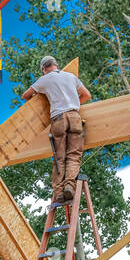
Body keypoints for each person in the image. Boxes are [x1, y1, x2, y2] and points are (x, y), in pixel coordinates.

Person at [23, 56, 91, 203]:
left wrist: (41, 101)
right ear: (56, 65)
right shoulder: (71, 77)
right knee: (74, 155)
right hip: (74, 116)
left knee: (59, 157)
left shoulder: (45, 80)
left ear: (44, 69)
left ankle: (59, 192)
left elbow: (26, 95)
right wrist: (72, 103)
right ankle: (69, 187)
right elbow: (87, 95)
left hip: (58, 119)